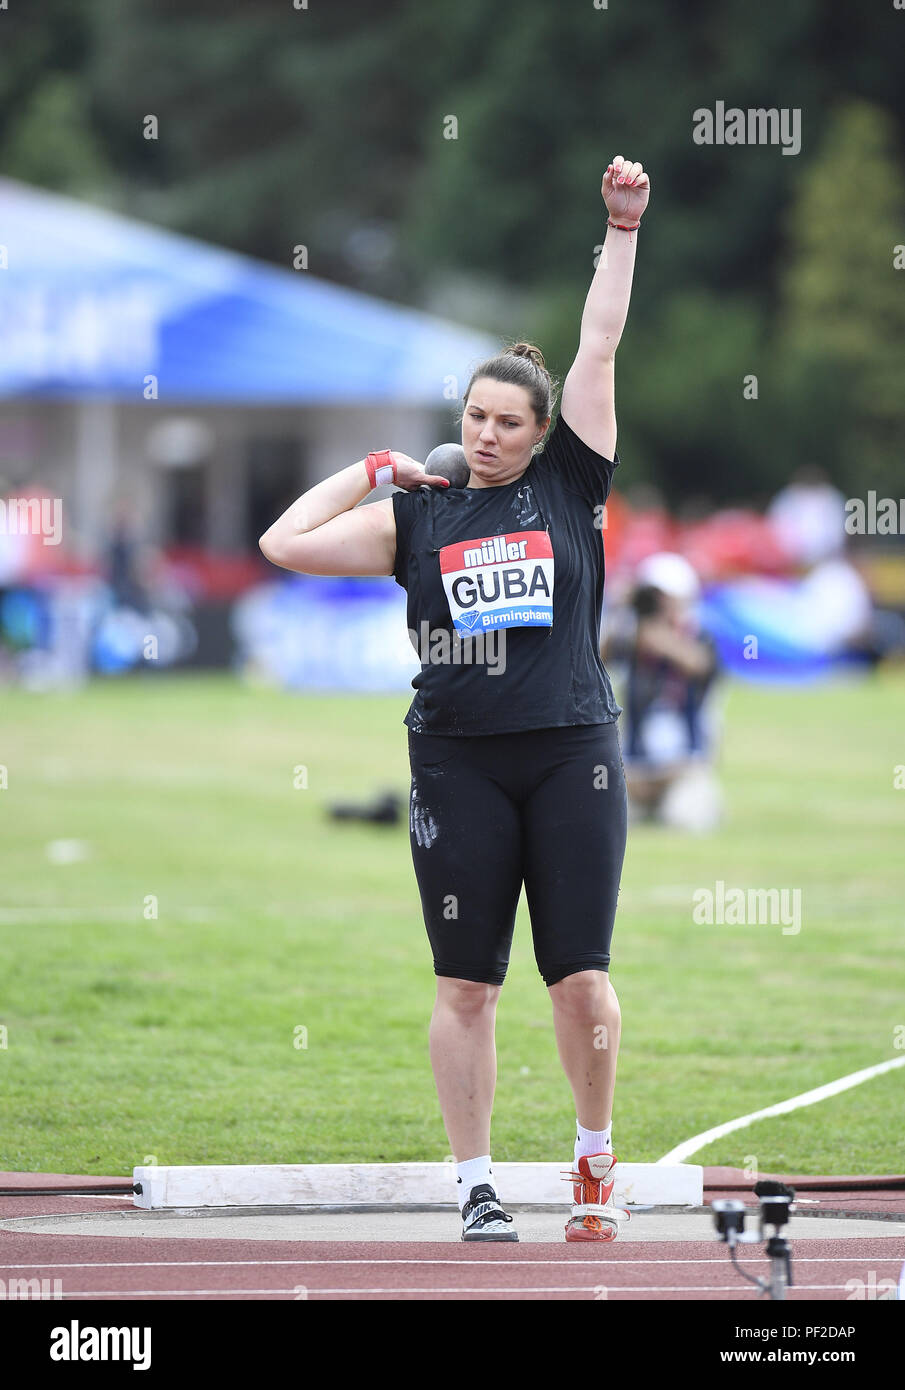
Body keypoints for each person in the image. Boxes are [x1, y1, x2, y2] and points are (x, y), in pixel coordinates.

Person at [259, 154, 650, 1243]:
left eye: (505, 422)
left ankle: (589, 1154)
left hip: (571, 747)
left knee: (578, 979)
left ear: (539, 433)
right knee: (466, 986)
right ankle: (475, 1180)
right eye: (471, 417)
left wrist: (619, 230)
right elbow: (282, 542)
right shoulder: (418, 518)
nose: (484, 433)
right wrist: (377, 467)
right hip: (456, 761)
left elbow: (601, 343)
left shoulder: (572, 483)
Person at [602, 551, 723, 832]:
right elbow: (596, 659)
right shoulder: (629, 638)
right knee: (601, 818)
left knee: (686, 819)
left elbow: (698, 664)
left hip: (685, 768)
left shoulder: (701, 637)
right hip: (635, 774)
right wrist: (622, 611)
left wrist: (655, 634)